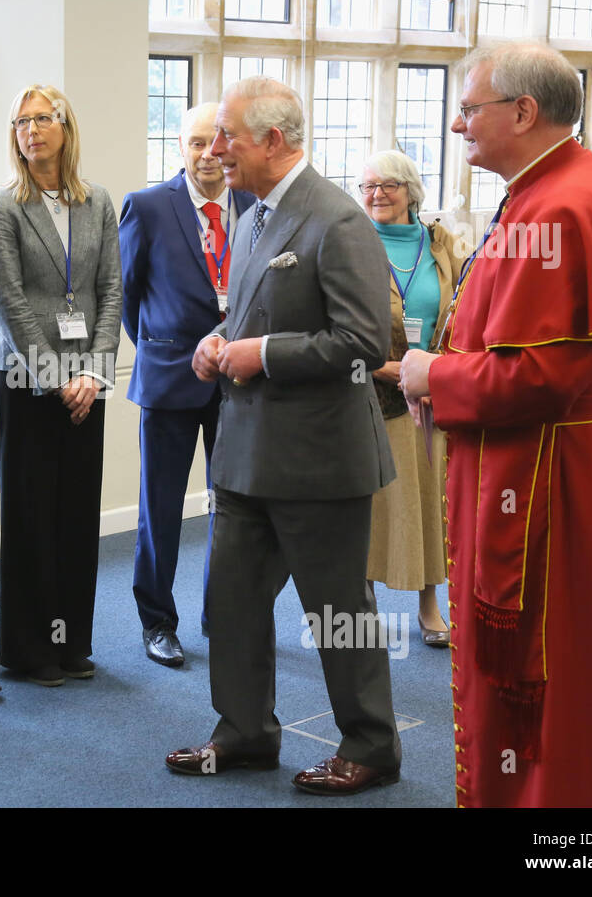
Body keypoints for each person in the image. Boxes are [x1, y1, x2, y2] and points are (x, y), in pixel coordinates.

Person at [399, 42, 592, 807]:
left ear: (523, 112)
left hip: (552, 472)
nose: (457, 127)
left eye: (468, 109)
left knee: (553, 668)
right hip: (576, 457)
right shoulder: (553, 186)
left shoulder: (560, 203)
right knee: (585, 662)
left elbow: (540, 378)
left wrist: (433, 373)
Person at [166, 76, 402, 795]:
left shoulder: (338, 220)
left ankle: (371, 746)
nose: (213, 152)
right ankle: (243, 733)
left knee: (337, 615)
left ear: (273, 140)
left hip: (321, 460)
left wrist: (260, 355)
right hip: (243, 455)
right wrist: (217, 342)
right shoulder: (248, 215)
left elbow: (362, 340)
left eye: (226, 137)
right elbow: (249, 319)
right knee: (229, 603)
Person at [0, 85, 121, 686]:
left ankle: (71, 644)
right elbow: (9, 301)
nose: (31, 130)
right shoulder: (3, 206)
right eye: (21, 121)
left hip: (88, 383)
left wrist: (92, 372)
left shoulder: (98, 202)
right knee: (32, 514)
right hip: (26, 381)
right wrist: (53, 377)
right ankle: (29, 650)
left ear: (67, 127)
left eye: (43, 119)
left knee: (76, 514)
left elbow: (111, 290)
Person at [119, 102, 256, 666]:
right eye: (196, 142)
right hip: (170, 379)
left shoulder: (253, 206)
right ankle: (158, 622)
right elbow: (129, 297)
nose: (207, 153)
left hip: (239, 381)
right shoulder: (148, 207)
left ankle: (221, 614)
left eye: (217, 141)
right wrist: (164, 348)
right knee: (162, 506)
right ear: (180, 147)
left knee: (233, 505)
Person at [358, 150, 465, 648]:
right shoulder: (352, 242)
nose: (376, 194)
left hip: (432, 392)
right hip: (371, 393)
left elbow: (465, 308)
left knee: (430, 499)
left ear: (410, 191)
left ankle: (429, 605)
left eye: (388, 185)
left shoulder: (441, 245)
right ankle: (360, 604)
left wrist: (441, 370)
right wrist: (383, 367)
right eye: (368, 186)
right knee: (373, 502)